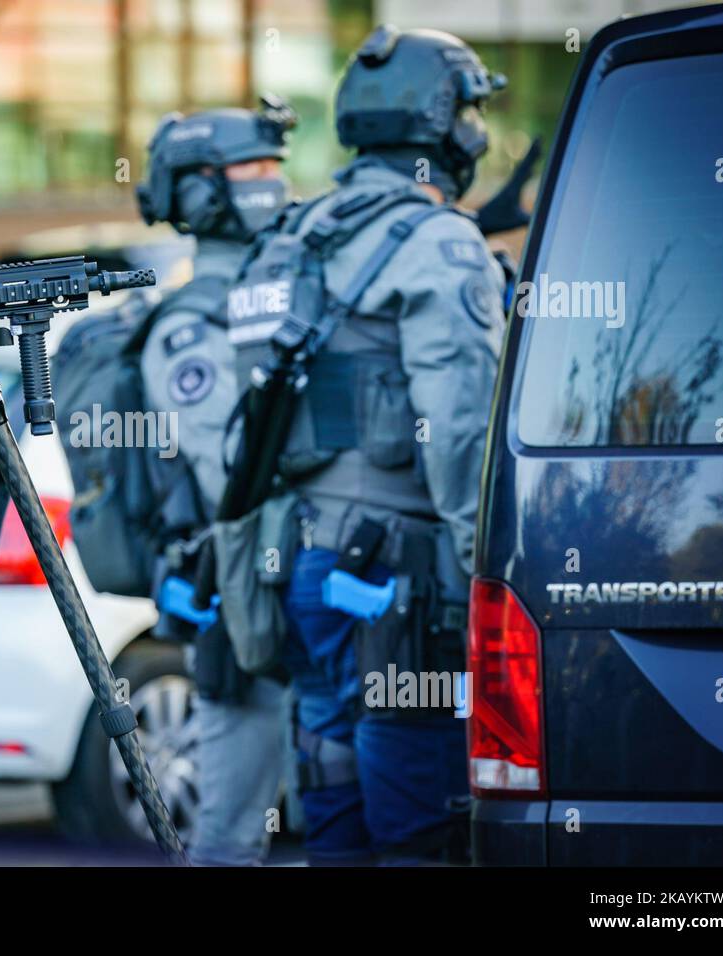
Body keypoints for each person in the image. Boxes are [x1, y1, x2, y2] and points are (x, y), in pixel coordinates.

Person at [223, 26, 507, 864]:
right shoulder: (439, 243)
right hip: (402, 584)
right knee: (422, 829)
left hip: (307, 568)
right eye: (471, 111)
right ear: (444, 122)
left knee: (334, 808)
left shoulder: (289, 240)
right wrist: (482, 570)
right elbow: (460, 432)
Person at [134, 98, 296, 865]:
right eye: (254, 169)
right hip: (240, 606)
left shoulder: (283, 293)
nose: (274, 183)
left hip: (307, 594)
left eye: (275, 167)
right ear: (200, 189)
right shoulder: (190, 326)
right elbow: (229, 467)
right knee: (231, 837)